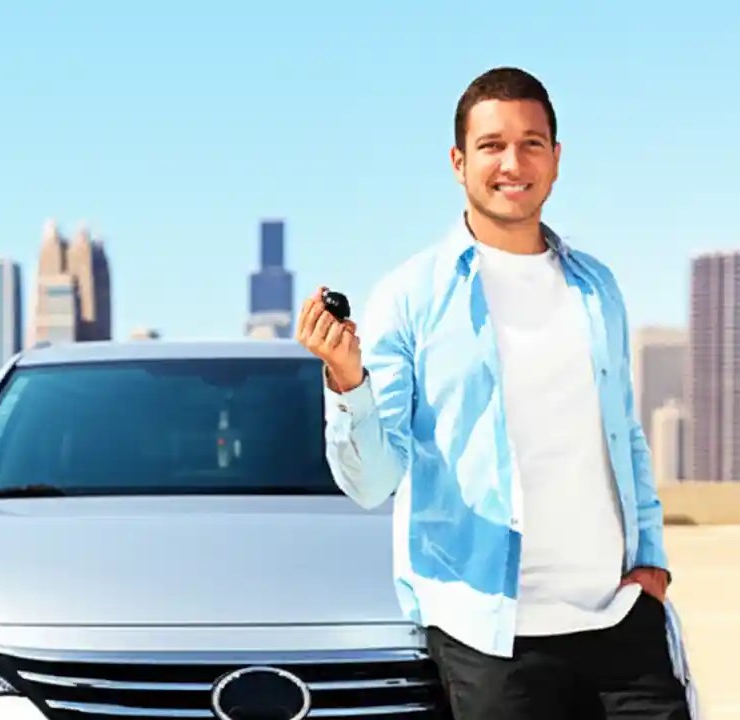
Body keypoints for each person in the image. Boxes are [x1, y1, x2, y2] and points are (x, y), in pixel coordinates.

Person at [297, 66, 696, 719]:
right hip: (489, 634)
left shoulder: (598, 288)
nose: (513, 162)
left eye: (532, 143)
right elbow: (374, 482)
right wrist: (347, 382)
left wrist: (651, 563)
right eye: (491, 145)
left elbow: (623, 434)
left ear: (556, 159)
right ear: (459, 162)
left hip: (623, 620)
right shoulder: (410, 295)